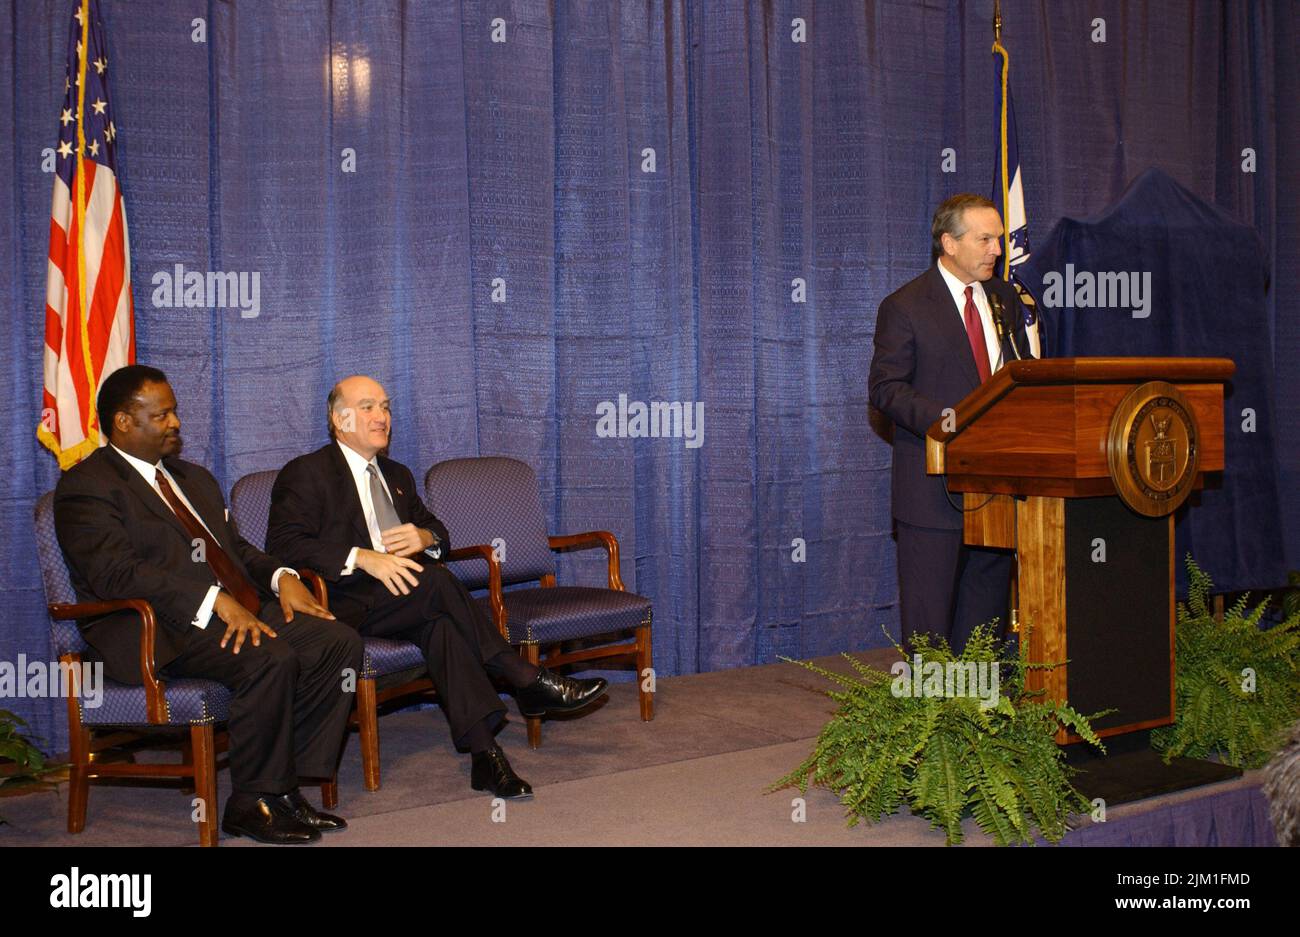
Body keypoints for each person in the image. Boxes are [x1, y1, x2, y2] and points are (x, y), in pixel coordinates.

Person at [53, 365, 364, 844]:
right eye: (161, 415)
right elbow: (115, 573)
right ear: (122, 422)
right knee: (270, 656)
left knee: (335, 640)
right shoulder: (87, 487)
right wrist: (213, 600)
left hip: (232, 611)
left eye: (175, 411)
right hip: (158, 628)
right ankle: (249, 804)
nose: (175, 422)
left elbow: (234, 550)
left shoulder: (192, 479)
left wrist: (283, 578)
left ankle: (283, 790)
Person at [266, 375, 607, 799]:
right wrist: (361, 556)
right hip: (343, 601)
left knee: (442, 627)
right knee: (437, 585)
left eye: (386, 407)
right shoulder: (307, 472)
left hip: (408, 598)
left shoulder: (397, 475)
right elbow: (284, 546)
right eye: (369, 407)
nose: (382, 416)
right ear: (340, 419)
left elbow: (437, 531)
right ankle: (520, 674)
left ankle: (487, 757)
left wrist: (425, 539)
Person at [868, 193, 1035, 655]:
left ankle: (977, 710)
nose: (997, 250)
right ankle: (931, 719)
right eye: (985, 239)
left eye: (998, 239)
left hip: (996, 488)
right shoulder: (905, 306)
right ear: (949, 243)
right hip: (933, 491)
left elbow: (1017, 372)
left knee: (984, 618)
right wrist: (951, 421)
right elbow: (886, 389)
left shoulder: (1004, 298)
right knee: (931, 624)